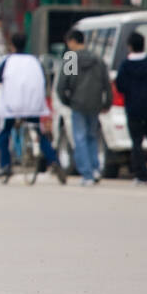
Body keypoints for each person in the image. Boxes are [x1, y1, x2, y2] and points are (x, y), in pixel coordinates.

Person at [0, 32, 66, 184]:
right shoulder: (35, 61)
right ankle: (54, 160)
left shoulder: (7, 61)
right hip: (33, 105)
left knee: (4, 134)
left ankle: (5, 166)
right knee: (39, 133)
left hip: (12, 106)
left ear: (12, 45)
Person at [56, 29, 111, 185]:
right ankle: (95, 169)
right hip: (95, 104)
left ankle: (87, 174)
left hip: (77, 104)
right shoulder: (97, 58)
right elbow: (106, 83)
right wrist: (106, 102)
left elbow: (62, 86)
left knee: (79, 138)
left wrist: (67, 101)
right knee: (92, 136)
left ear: (72, 41)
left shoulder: (71, 59)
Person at [114, 31, 147, 185]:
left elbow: (120, 86)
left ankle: (142, 175)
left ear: (129, 46)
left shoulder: (125, 66)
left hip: (133, 108)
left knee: (137, 142)